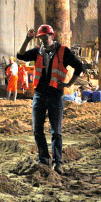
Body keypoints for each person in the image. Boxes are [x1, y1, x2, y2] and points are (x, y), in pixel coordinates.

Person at [17, 24, 86, 174]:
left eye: (46, 36)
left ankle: (57, 162)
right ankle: (43, 160)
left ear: (52, 36)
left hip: (55, 95)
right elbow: (20, 55)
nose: (43, 39)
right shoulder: (37, 52)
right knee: (37, 130)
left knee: (56, 131)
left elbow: (79, 67)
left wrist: (68, 84)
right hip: (40, 95)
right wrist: (27, 40)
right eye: (41, 37)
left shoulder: (63, 51)